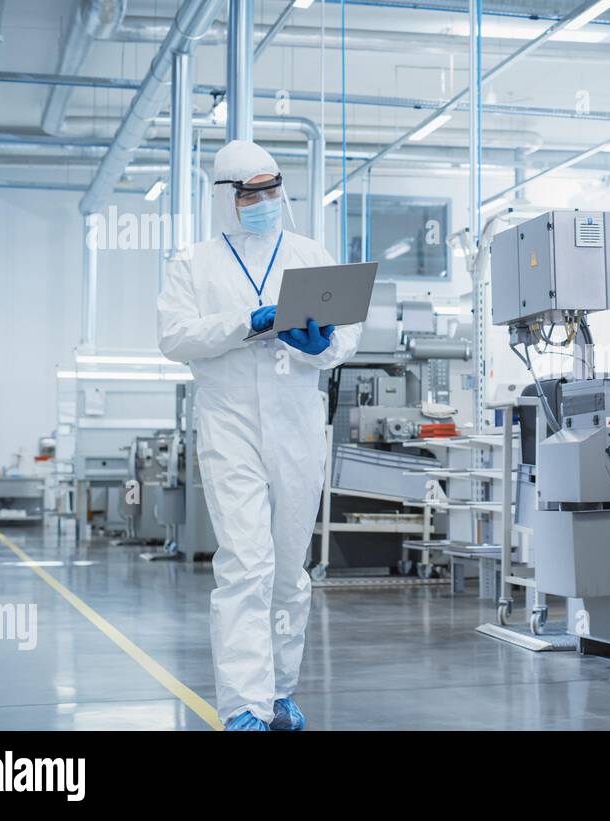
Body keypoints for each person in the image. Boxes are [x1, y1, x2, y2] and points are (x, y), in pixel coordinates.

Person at [157, 140, 362, 731]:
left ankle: (279, 693)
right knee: (245, 564)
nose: (265, 201)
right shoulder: (193, 264)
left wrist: (324, 347)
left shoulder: (309, 252)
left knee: (289, 568)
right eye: (252, 193)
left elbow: (346, 332)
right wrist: (245, 324)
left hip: (298, 420)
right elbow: (175, 338)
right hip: (230, 424)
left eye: (272, 190)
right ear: (227, 198)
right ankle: (243, 705)